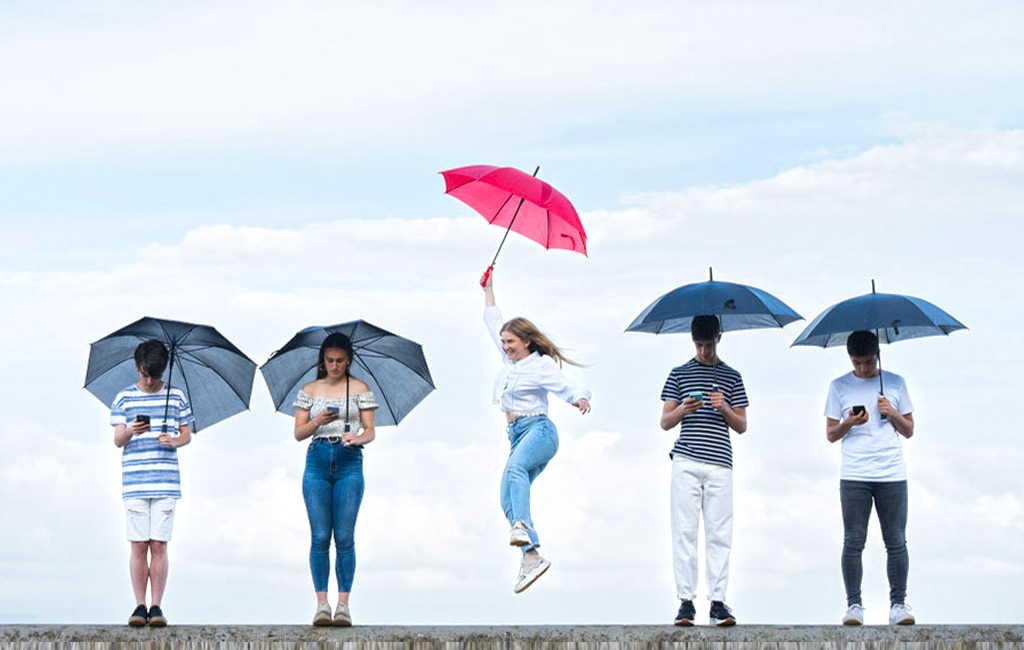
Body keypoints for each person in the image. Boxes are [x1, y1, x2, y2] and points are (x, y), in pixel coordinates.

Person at [481, 270, 591, 593]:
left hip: (540, 431)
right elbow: (493, 321)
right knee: (507, 497)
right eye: (504, 343)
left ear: (526, 342)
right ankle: (532, 556)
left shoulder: (540, 365)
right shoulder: (509, 362)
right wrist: (488, 289)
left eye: (511, 342)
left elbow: (567, 386)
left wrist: (580, 398)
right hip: (517, 435)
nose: (506, 347)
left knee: (516, 469)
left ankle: (520, 526)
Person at [660, 315, 748, 627]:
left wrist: (724, 407)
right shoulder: (679, 373)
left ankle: (718, 601)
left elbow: (742, 426)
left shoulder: (732, 377)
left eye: (708, 344)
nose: (704, 350)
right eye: (699, 344)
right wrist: (684, 408)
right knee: (684, 531)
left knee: (719, 533)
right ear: (692, 340)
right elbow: (665, 421)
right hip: (686, 459)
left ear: (718, 339)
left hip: (720, 462)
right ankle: (686, 601)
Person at [825, 330, 915, 626]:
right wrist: (849, 422)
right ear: (850, 358)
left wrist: (892, 412)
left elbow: (909, 430)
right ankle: (854, 606)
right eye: (857, 362)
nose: (863, 368)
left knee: (896, 540)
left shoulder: (895, 382)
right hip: (855, 474)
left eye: (868, 362)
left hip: (891, 473)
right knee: (853, 541)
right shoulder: (838, 386)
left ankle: (898, 605)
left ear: (877, 355)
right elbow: (830, 434)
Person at [293, 333, 379, 626]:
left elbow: (370, 431)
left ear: (348, 360)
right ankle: (321, 605)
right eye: (329, 360)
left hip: (349, 460)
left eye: (340, 360)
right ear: (322, 360)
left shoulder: (359, 388)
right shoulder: (309, 389)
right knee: (319, 536)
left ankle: (343, 605)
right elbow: (298, 433)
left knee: (344, 537)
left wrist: (356, 438)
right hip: (317, 458)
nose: (334, 365)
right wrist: (317, 421)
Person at [111, 339, 193, 628]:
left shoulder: (177, 396)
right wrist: (131, 430)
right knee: (137, 545)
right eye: (145, 373)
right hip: (135, 480)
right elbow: (117, 440)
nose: (148, 379)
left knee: (159, 544)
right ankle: (139, 605)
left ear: (163, 371)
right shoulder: (124, 398)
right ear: (137, 367)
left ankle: (156, 605)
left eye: (154, 375)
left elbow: (187, 434)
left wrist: (174, 440)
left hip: (165, 480)